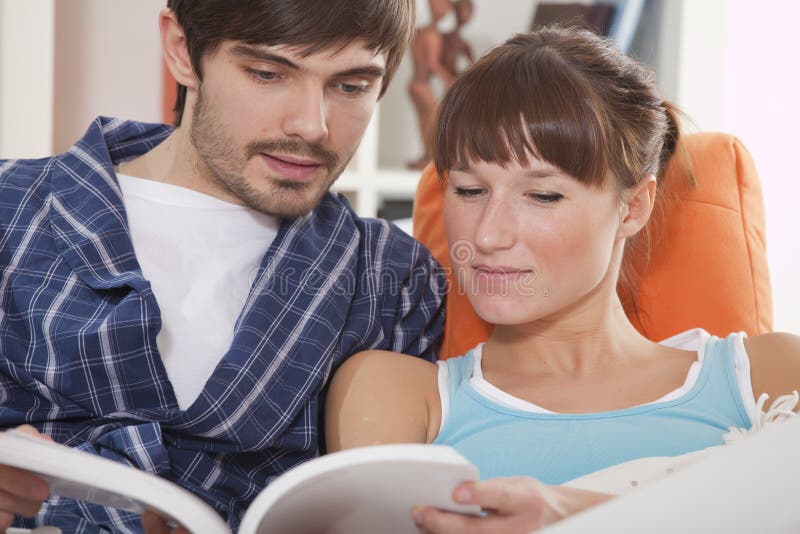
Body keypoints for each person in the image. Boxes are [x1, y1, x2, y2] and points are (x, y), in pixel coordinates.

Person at [326, 26, 800, 533]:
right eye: (468, 190)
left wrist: (574, 514)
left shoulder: (768, 376)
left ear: (634, 206)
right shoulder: (397, 394)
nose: (487, 236)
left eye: (543, 196)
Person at [0, 0, 446, 531]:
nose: (312, 126)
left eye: (350, 86)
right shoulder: (13, 208)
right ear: (181, 49)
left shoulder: (392, 277)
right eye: (267, 73)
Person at [407, 0, 457, 170]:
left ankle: (424, 156)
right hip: (423, 85)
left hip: (414, 85)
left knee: (423, 121)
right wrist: (450, 79)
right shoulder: (432, 34)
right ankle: (429, 157)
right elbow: (432, 64)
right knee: (433, 123)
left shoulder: (418, 32)